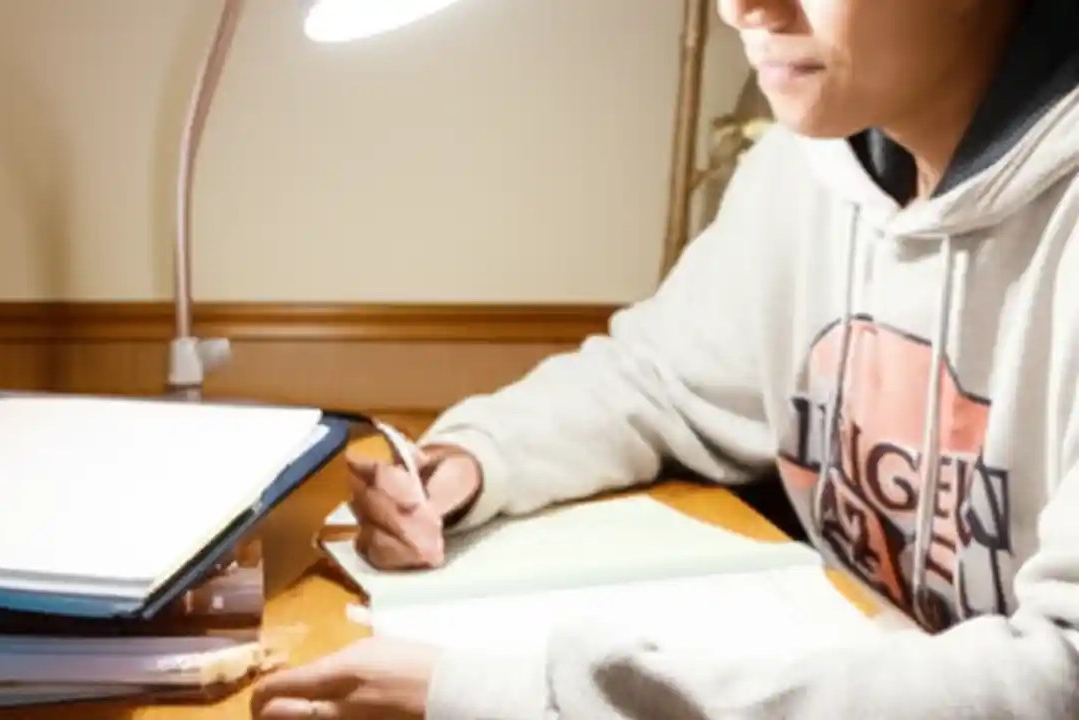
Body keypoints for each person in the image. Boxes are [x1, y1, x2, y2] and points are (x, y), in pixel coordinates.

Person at [253, 0, 1079, 717]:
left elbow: (1060, 679)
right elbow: (657, 377)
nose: (743, 10)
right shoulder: (808, 166)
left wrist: (516, 698)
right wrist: (477, 460)